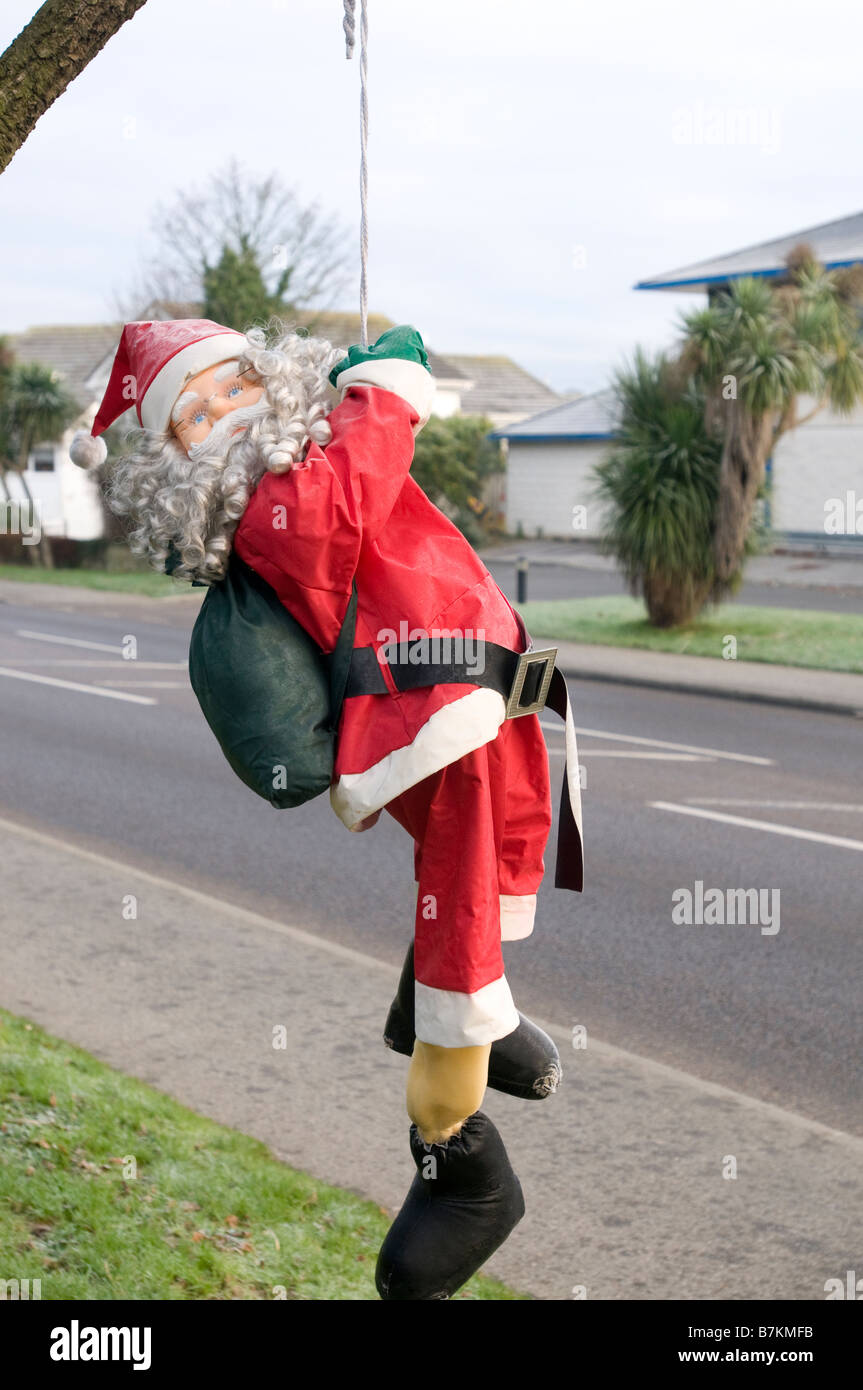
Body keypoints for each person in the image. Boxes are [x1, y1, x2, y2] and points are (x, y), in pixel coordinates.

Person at [71, 316, 583, 1299]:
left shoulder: (290, 463)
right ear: (178, 459)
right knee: (465, 912)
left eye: (232, 385)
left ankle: (477, 1016)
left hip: (463, 700)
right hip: (439, 714)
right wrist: (383, 386)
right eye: (194, 416)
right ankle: (459, 1160)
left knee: (488, 850)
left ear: (270, 377)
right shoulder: (276, 500)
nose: (223, 411)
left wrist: (348, 403)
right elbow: (346, 493)